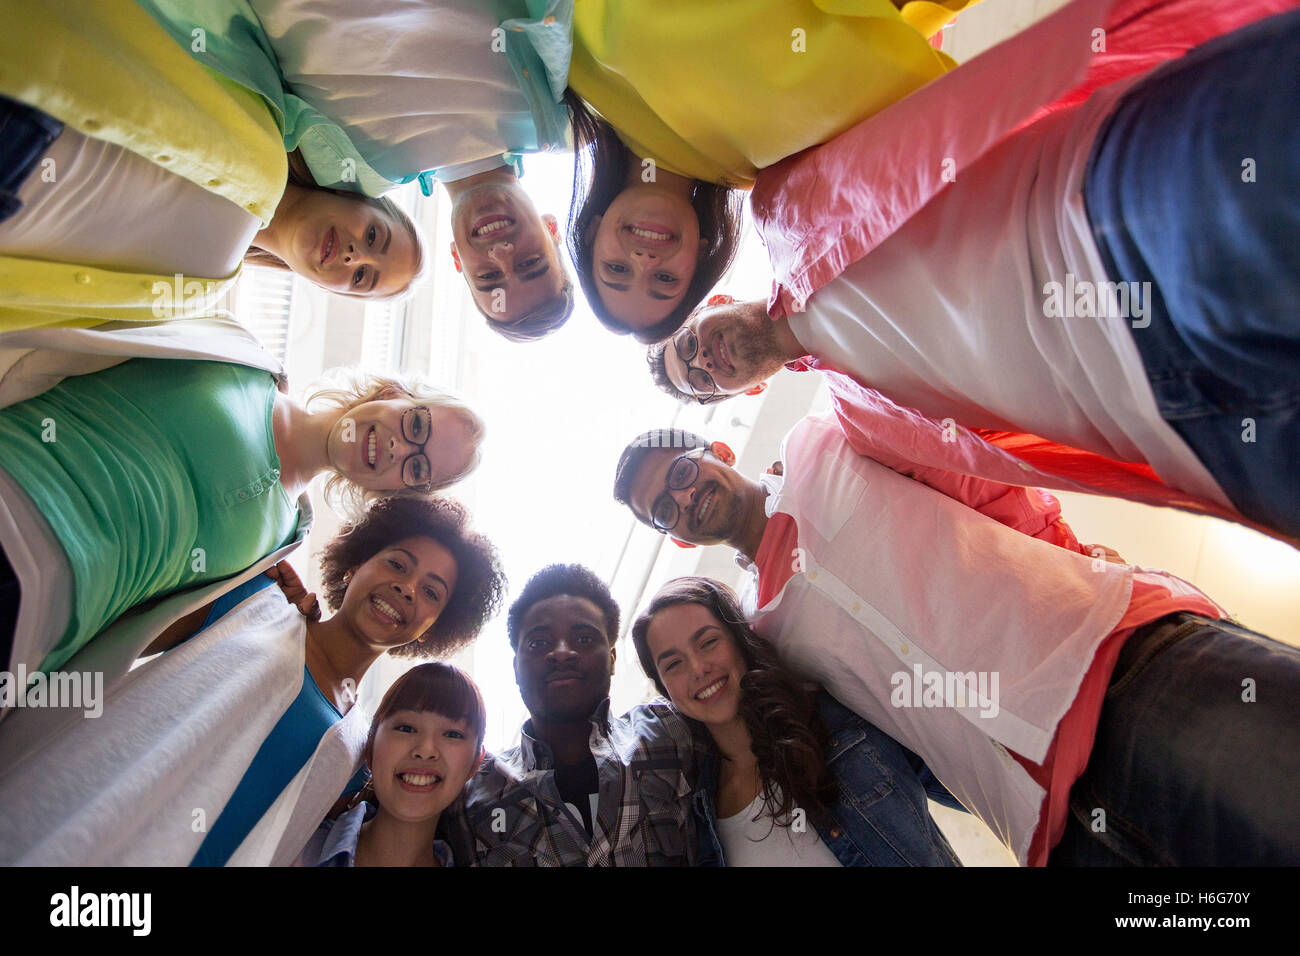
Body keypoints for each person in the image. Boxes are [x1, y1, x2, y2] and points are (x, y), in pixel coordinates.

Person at [647, 5, 1300, 545]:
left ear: (714, 300)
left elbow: (843, 46)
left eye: (688, 346)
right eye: (703, 382)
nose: (706, 361)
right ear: (744, 395)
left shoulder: (785, 199)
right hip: (1186, 429)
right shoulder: (868, 432)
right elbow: (988, 508)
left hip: (1119, 216)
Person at [612, 426, 1300, 865]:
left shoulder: (822, 441)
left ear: (717, 451)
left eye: (680, 473)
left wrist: (1073, 560)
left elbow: (977, 477)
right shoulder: (768, 638)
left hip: (1116, 668)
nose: (685, 499)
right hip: (1045, 822)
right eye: (664, 510)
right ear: (675, 537)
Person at [0, 319, 484, 681]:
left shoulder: (285, 538)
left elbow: (153, 628)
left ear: (393, 491)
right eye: (416, 423)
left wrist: (279, 626)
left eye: (417, 467)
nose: (399, 446)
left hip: (39, 625)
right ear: (395, 392)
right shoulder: (240, 358)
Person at [0, 3, 424, 338]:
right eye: (373, 236)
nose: (356, 256)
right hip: (25, 116)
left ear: (330, 290)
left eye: (362, 277)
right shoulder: (266, 130)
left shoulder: (198, 294)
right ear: (352, 195)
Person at [176, 496, 504, 866]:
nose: (407, 587)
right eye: (397, 564)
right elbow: (118, 635)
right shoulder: (255, 605)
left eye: (431, 592)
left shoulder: (356, 754)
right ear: (354, 564)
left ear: (433, 629)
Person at [631, 576, 962, 867]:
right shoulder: (697, 813)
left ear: (738, 641)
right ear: (664, 689)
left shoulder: (842, 723)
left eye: (708, 642)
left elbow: (966, 783)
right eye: (673, 664)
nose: (698, 668)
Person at [440, 563, 697, 866]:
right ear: (515, 667)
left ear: (612, 659)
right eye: (539, 643)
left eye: (584, 639)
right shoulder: (469, 796)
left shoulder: (670, 732)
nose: (561, 652)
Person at [299, 662, 489, 867]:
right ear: (370, 747)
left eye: (452, 734)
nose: (425, 750)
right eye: (406, 728)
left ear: (475, 764)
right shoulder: (292, 847)